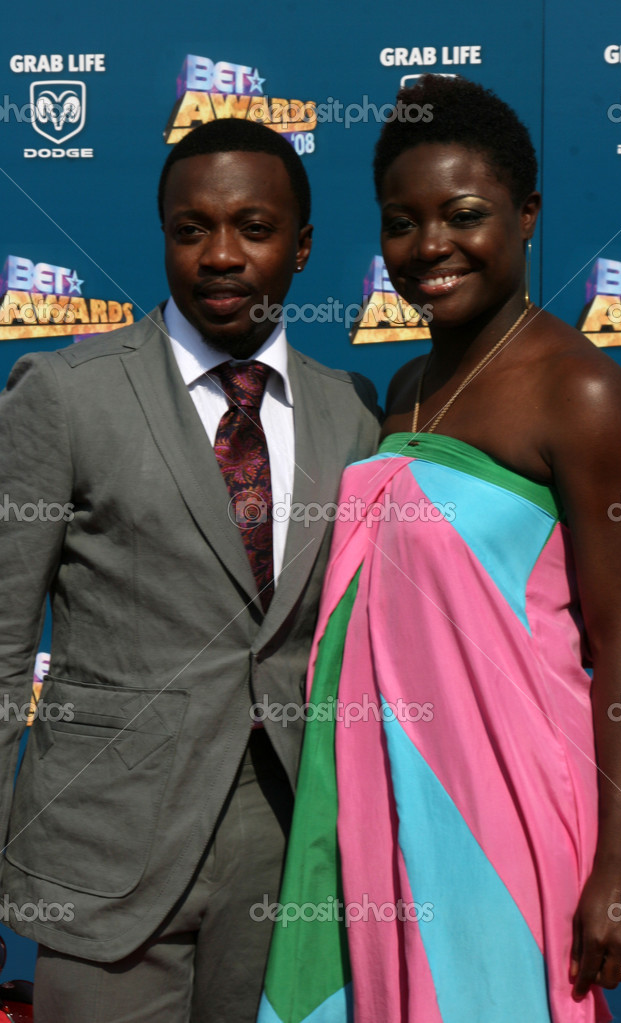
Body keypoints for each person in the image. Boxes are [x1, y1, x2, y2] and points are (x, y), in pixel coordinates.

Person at [258, 76, 621, 1023]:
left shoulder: (585, 394)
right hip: (378, 800)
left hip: (505, 803)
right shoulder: (404, 386)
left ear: (527, 214)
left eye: (464, 214)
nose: (430, 246)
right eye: (403, 221)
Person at [0, 117, 380, 1023]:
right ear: (164, 233)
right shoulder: (64, 393)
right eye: (190, 228)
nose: (219, 254)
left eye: (253, 228)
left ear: (302, 247)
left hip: (285, 853)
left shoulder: (351, 413)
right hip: (106, 852)